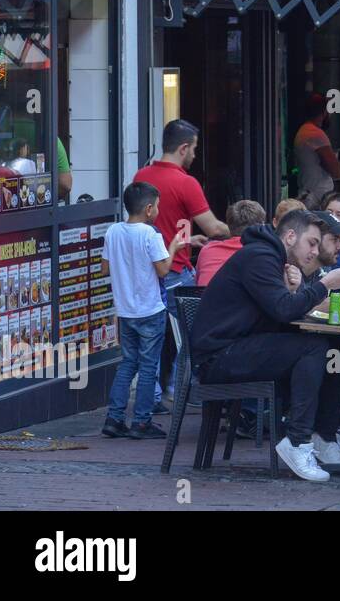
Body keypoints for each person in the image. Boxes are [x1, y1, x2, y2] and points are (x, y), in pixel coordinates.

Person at [190, 210, 340, 481]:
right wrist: (324, 285)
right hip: (219, 356)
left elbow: (279, 310)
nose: (314, 251)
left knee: (332, 343)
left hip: (241, 346)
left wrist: (297, 292)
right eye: (311, 243)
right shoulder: (260, 257)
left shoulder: (270, 258)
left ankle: (323, 434)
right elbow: (282, 309)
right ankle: (298, 440)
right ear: (290, 236)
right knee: (313, 348)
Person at [133, 119, 229, 406]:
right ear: (183, 148)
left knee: (153, 339)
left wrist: (188, 240)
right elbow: (214, 228)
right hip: (175, 274)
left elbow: (160, 224)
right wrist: (240, 228)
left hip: (148, 272)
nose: (195, 156)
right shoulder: (187, 183)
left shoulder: (141, 175)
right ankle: (179, 391)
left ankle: (153, 396)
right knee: (193, 334)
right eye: (194, 149)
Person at [100, 182, 187, 439]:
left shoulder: (113, 231)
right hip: (150, 310)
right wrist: (173, 249)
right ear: (149, 209)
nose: (158, 211)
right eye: (158, 206)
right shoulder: (151, 235)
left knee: (128, 363)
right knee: (149, 367)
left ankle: (114, 418)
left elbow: (105, 269)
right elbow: (163, 270)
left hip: (125, 311)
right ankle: (141, 421)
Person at [195, 200, 267, 288]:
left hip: (205, 300)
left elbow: (198, 283)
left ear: (229, 225)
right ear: (262, 226)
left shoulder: (207, 250)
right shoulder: (263, 254)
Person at [293, 93, 340, 208]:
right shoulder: (315, 133)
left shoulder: (304, 131)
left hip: (309, 194)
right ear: (324, 112)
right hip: (318, 197)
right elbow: (336, 171)